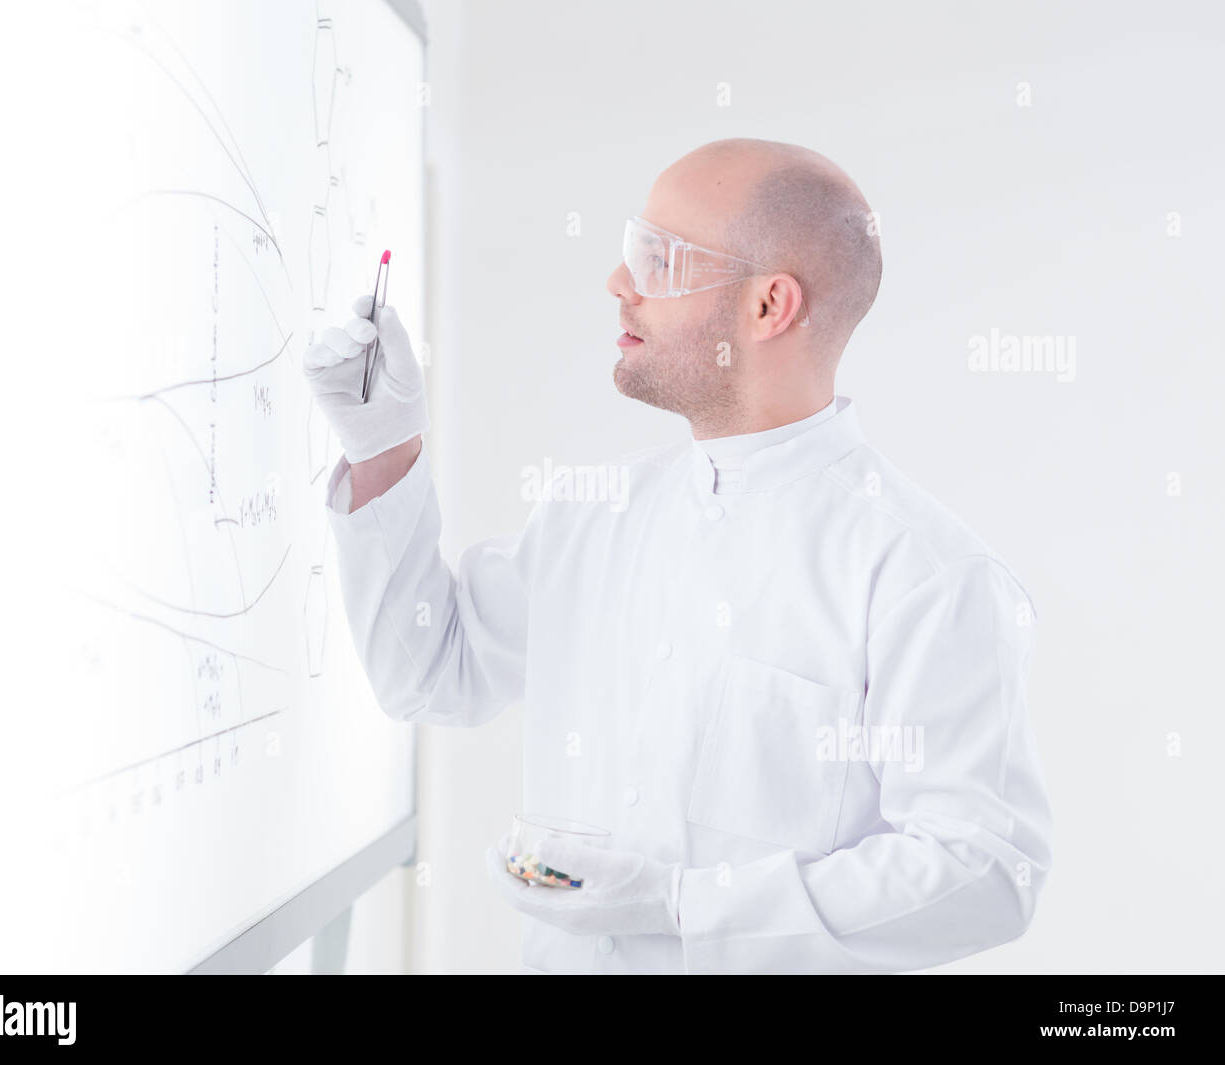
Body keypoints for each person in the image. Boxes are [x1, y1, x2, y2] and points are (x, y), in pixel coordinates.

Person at [302, 137, 1052, 974]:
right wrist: (382, 450)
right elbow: (429, 671)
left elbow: (982, 871)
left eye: (658, 259)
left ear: (769, 307)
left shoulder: (925, 575)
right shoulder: (595, 516)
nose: (619, 285)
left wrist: (683, 904)